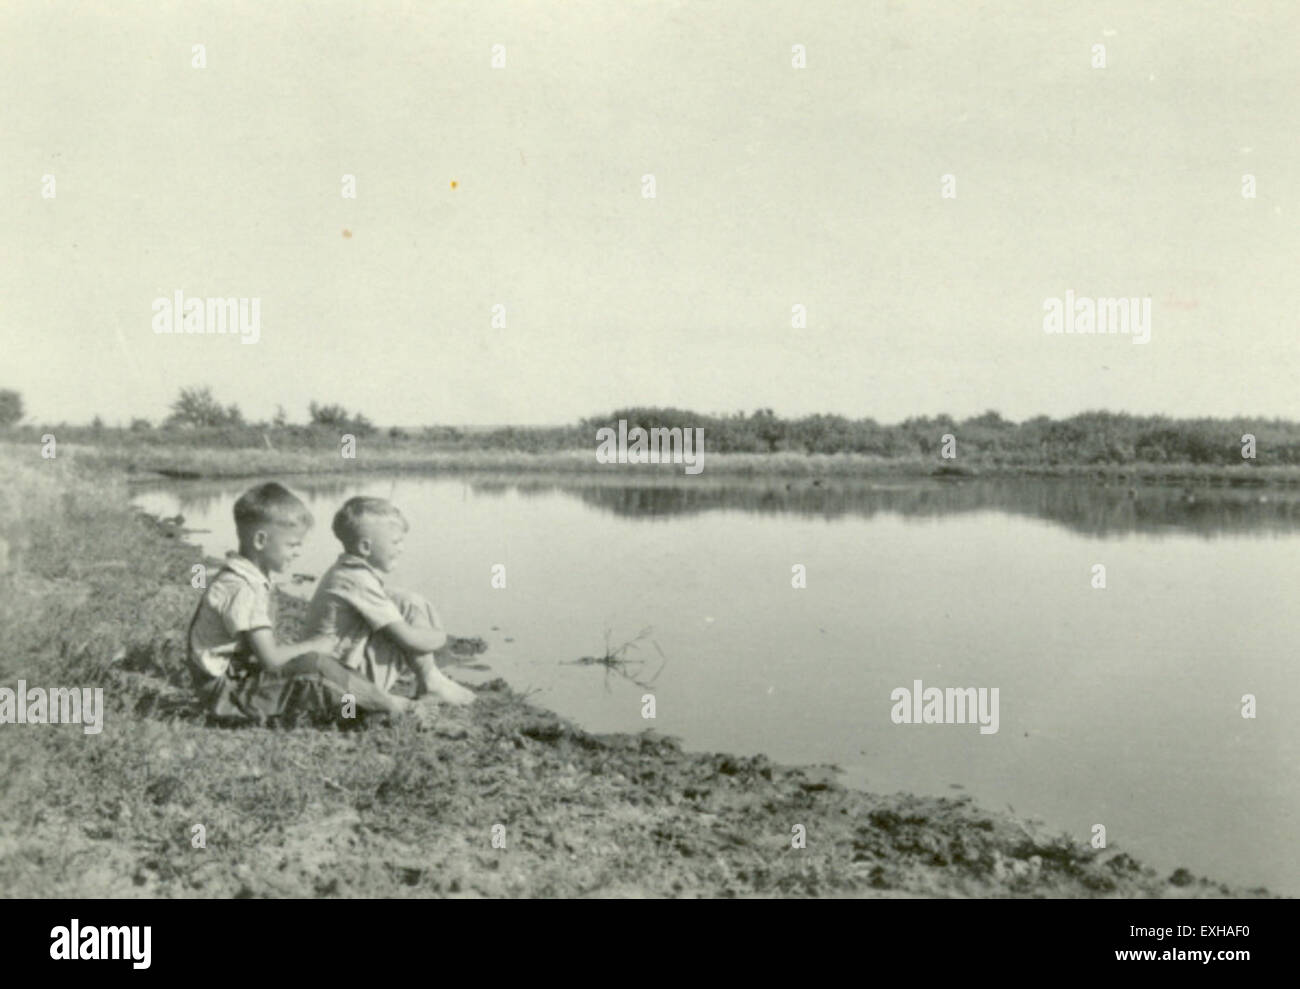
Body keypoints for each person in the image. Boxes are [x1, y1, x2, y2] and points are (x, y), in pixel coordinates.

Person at [187, 483, 414, 724]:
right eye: (292, 545)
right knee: (315, 665)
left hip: (235, 684)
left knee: (319, 665)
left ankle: (368, 704)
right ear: (261, 540)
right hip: (226, 697)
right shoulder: (243, 587)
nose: (298, 552)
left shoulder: (247, 578)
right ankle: (388, 709)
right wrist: (314, 645)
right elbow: (271, 659)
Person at [305, 496, 475, 707]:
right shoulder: (357, 580)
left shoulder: (349, 572)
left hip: (333, 672)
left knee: (404, 601)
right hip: (340, 685)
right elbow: (408, 639)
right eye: (395, 542)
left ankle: (432, 681)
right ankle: (431, 682)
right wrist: (441, 638)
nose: (401, 548)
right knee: (408, 608)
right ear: (366, 547)